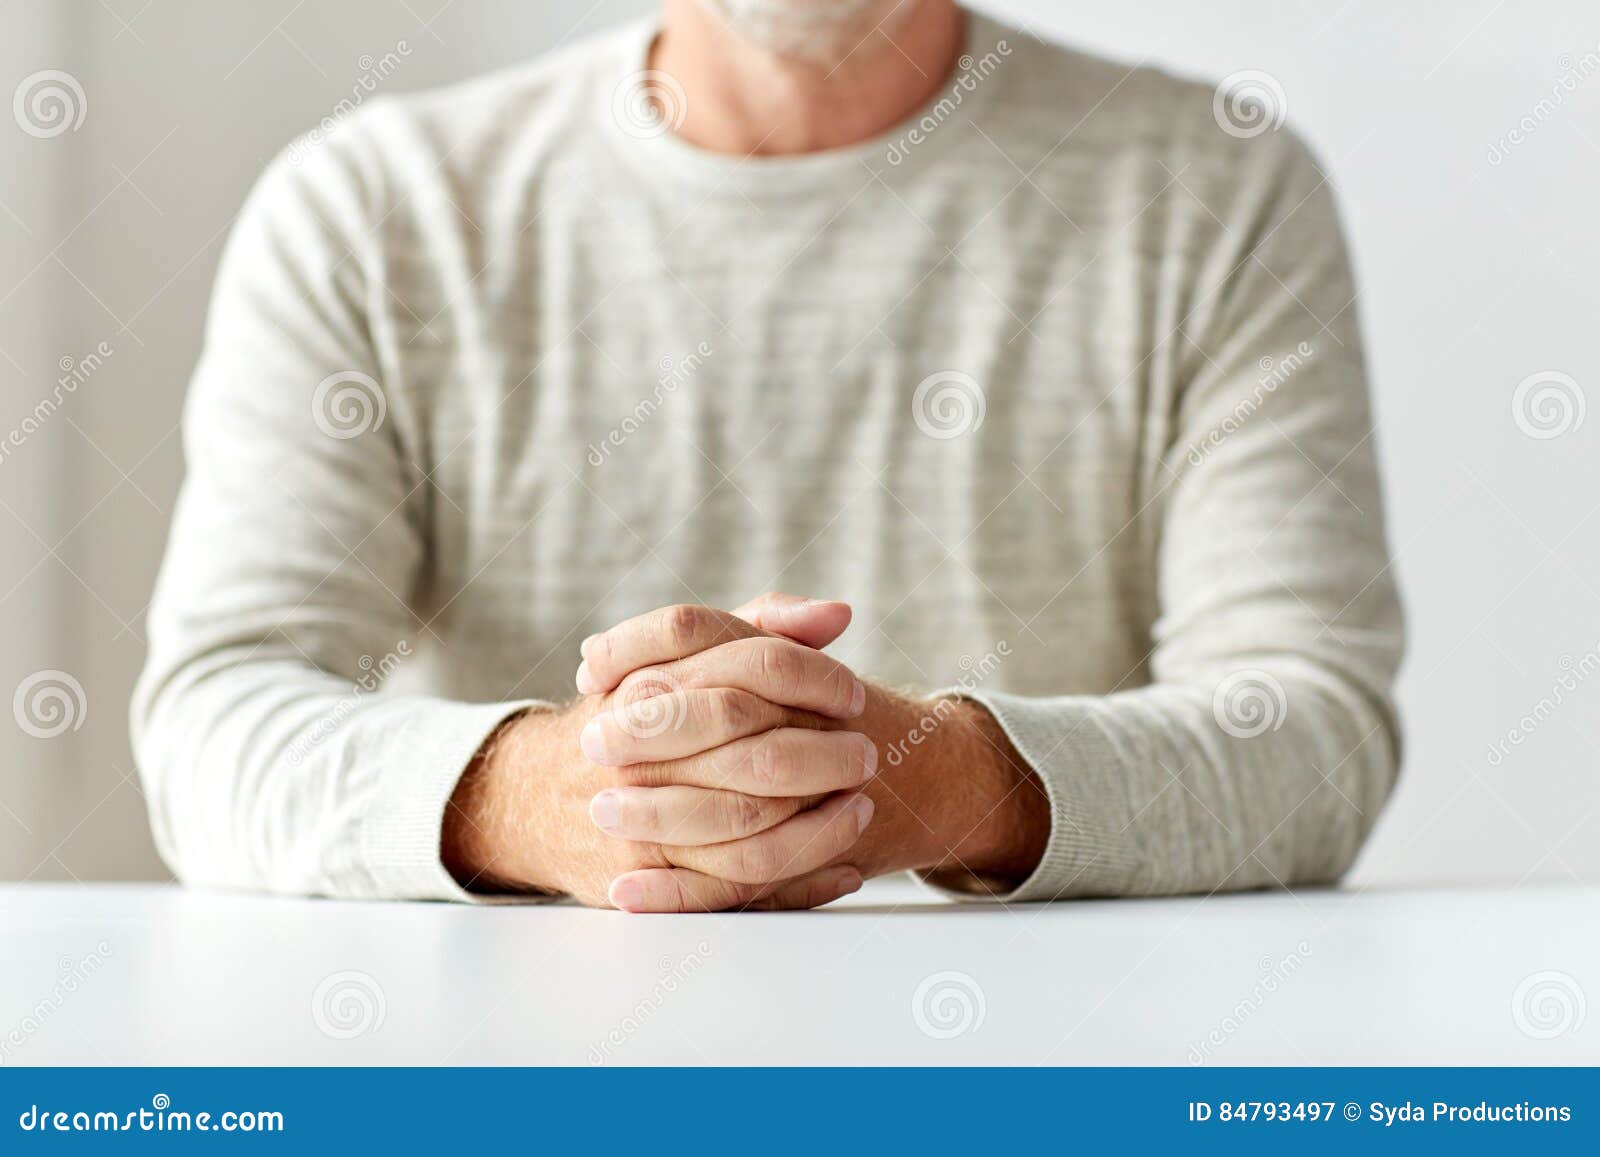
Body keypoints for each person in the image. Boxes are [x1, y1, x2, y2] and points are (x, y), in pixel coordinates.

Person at [131, 0, 1404, 912]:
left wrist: (933, 781)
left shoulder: (1219, 189)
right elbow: (212, 719)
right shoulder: (372, 209)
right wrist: (554, 792)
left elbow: (1313, 726)